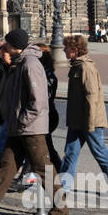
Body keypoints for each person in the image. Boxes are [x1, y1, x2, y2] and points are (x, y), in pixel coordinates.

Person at [0, 29, 68, 215]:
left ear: (15, 46)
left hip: (30, 128)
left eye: (6, 44)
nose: (2, 47)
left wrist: (22, 120)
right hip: (19, 127)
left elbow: (38, 102)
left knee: (44, 170)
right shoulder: (20, 63)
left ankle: (61, 211)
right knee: (6, 167)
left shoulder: (31, 64)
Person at [59, 34, 108, 204]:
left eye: (66, 47)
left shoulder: (85, 68)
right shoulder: (76, 66)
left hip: (89, 120)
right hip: (77, 120)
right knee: (70, 152)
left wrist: (90, 122)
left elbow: (91, 96)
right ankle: (63, 187)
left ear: (74, 50)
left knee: (99, 152)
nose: (63, 50)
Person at [37, 43, 63, 173]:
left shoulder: (46, 75)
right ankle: (60, 169)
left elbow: (44, 98)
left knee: (39, 146)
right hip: (48, 113)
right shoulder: (46, 73)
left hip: (47, 114)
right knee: (46, 146)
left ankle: (28, 175)